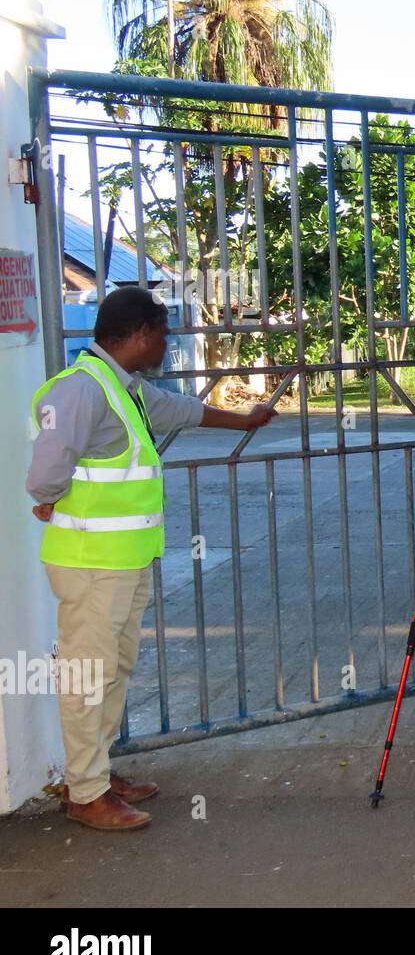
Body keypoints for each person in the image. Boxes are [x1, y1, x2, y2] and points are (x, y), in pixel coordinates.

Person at [27, 286, 277, 831]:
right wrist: (46, 495)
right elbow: (47, 466)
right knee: (87, 672)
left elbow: (182, 411)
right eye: (164, 333)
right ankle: (85, 792)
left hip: (123, 558)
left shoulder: (125, 388)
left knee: (113, 668)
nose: (168, 342)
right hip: (91, 560)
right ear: (140, 334)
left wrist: (247, 420)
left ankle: (98, 770)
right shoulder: (81, 391)